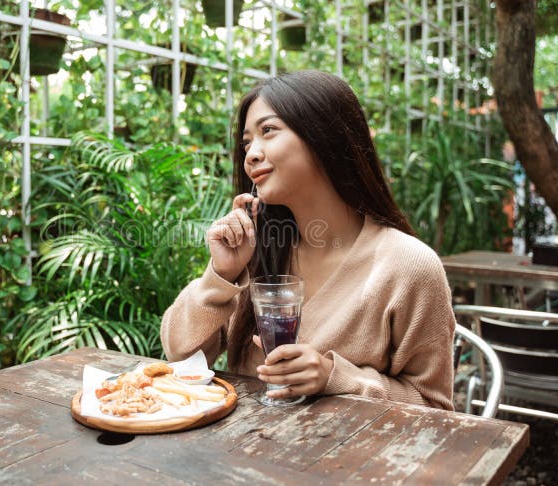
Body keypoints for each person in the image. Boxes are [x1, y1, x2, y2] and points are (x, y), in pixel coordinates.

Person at [160, 70, 455, 410]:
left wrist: (336, 376)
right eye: (246, 143)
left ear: (324, 136)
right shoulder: (259, 250)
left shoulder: (408, 266)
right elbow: (180, 355)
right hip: (240, 449)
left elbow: (434, 408)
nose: (251, 154)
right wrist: (221, 276)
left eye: (268, 131)